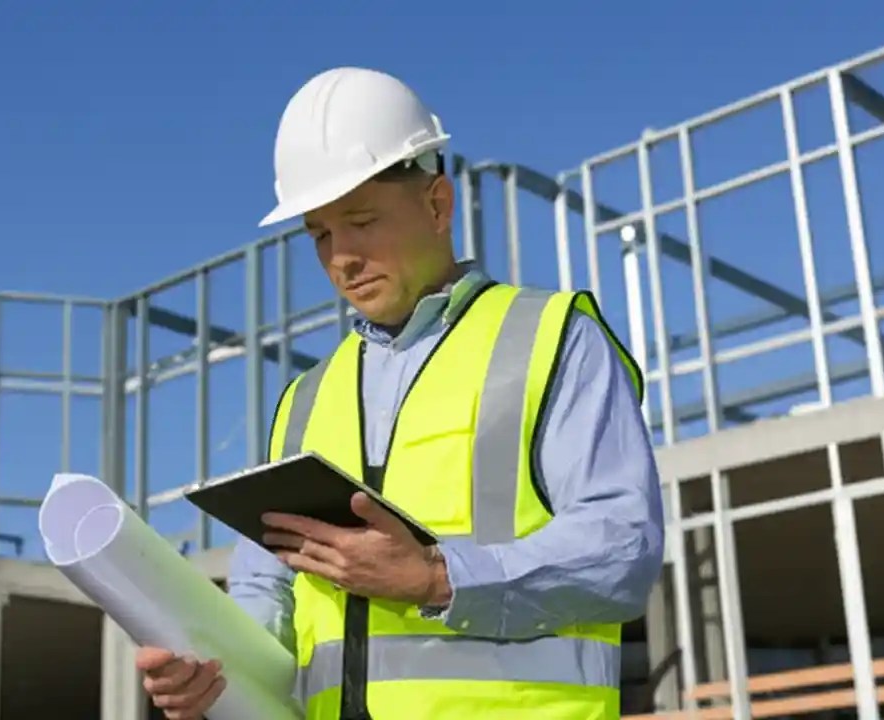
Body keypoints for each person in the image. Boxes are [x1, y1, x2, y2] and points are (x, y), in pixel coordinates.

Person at [136, 66, 665, 720]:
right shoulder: (305, 400)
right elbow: (266, 595)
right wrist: (213, 669)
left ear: (438, 205)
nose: (341, 258)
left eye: (361, 222)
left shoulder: (551, 339)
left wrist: (437, 577)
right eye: (320, 235)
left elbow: (623, 549)